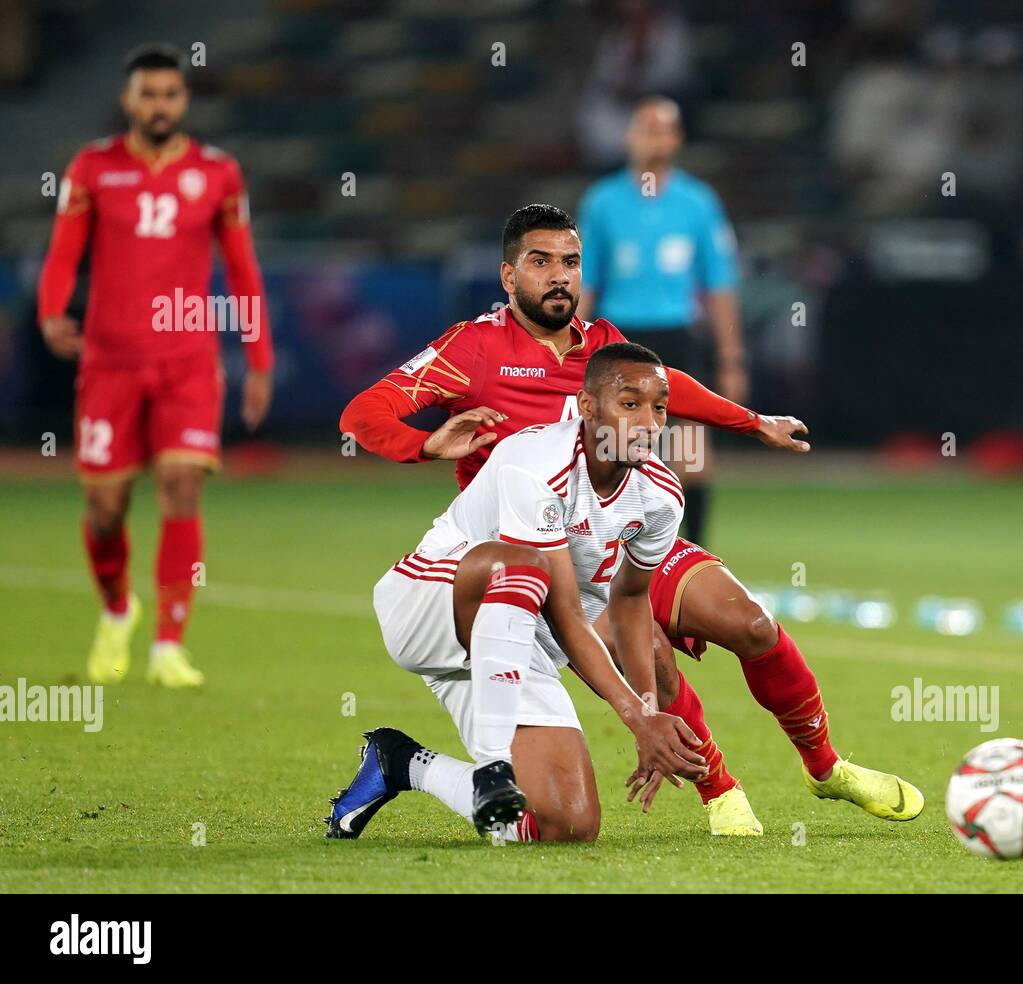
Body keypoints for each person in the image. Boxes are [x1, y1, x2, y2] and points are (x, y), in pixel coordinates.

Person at [338, 204, 924, 836]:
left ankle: (826, 767)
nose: (558, 276)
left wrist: (752, 421)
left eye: (570, 263)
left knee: (749, 622)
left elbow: (665, 383)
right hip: (525, 556)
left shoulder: (605, 348)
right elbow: (364, 413)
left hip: (611, 519)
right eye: (541, 263)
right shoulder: (472, 349)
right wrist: (424, 444)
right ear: (509, 277)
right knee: (647, 658)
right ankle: (718, 790)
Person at [327, 343, 707, 842]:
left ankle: (400, 764)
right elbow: (567, 612)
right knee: (525, 566)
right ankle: (492, 767)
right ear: (587, 407)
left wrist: (650, 713)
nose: (648, 422)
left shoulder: (660, 496)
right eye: (629, 403)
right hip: (431, 604)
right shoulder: (535, 460)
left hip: (513, 646)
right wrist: (635, 717)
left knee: (565, 826)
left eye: (658, 406)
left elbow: (630, 602)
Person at [37, 43, 274, 686]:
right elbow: (64, 252)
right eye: (149, 94)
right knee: (105, 508)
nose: (160, 105)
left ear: (183, 101)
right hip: (110, 362)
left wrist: (258, 358)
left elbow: (243, 269)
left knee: (181, 484)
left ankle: (169, 643)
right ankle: (118, 608)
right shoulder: (92, 167)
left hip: (188, 361)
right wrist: (52, 310)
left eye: (171, 94)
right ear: (128, 100)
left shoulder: (218, 173)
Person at [575, 96, 745, 548]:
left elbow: (720, 285)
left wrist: (731, 358)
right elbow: (586, 279)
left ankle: (694, 557)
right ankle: (605, 553)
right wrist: (568, 347)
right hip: (620, 337)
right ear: (629, 135)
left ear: (676, 139)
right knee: (611, 447)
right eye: (644, 127)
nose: (652, 137)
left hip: (677, 338)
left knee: (691, 450)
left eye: (661, 128)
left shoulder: (698, 203)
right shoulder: (603, 202)